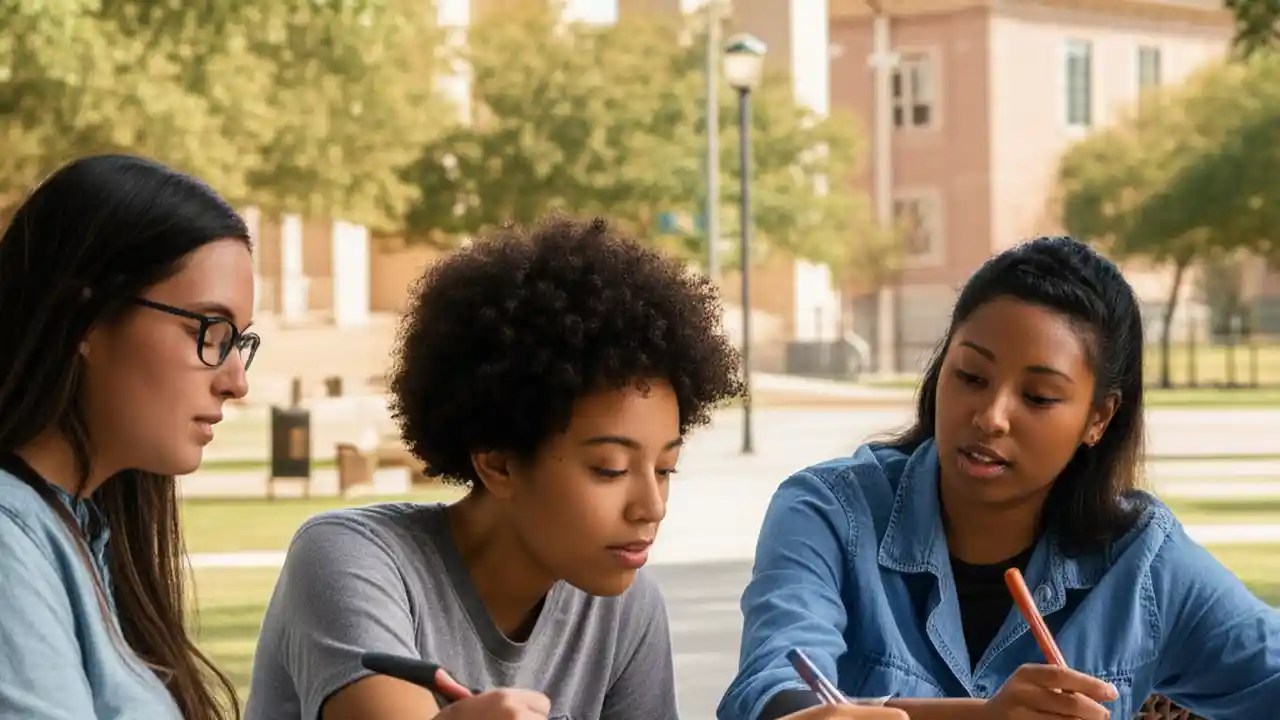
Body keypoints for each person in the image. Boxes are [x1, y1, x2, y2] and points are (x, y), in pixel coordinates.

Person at [243, 216, 908, 720]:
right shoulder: (351, 559)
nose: (651, 506)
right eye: (611, 469)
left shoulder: (623, 606)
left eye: (666, 469)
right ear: (498, 462)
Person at [719, 236, 1280, 720]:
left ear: (1098, 419)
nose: (990, 416)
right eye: (971, 375)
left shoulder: (1143, 563)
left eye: (1037, 397)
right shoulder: (829, 513)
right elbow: (772, 690)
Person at [0, 155, 259, 719]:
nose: (236, 381)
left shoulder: (82, 535)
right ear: (85, 320)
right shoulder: (9, 539)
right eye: (206, 330)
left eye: (240, 341)